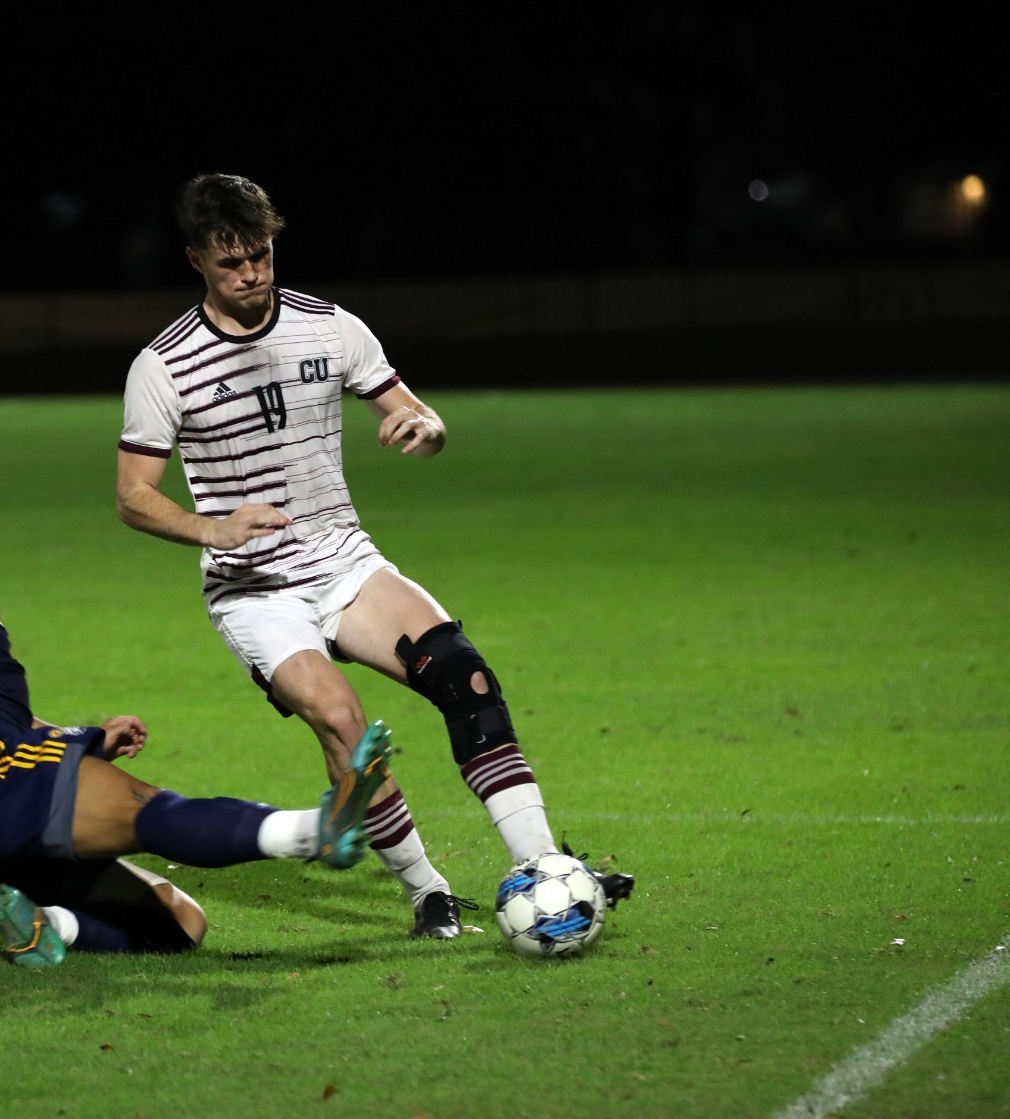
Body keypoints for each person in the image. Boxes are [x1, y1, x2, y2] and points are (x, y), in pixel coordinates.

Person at [115, 174, 633, 939]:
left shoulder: (330, 327)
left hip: (343, 562)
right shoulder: (164, 365)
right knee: (342, 720)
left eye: (261, 254)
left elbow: (417, 415)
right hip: (256, 592)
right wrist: (212, 528)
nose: (253, 273)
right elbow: (133, 495)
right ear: (196, 260)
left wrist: (428, 431)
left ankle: (545, 865)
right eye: (232, 263)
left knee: (465, 674)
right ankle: (426, 889)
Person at [0, 434, 394, 967]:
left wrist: (77, 738)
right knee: (150, 811)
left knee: (180, 925)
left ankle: (44, 924)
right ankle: (311, 832)